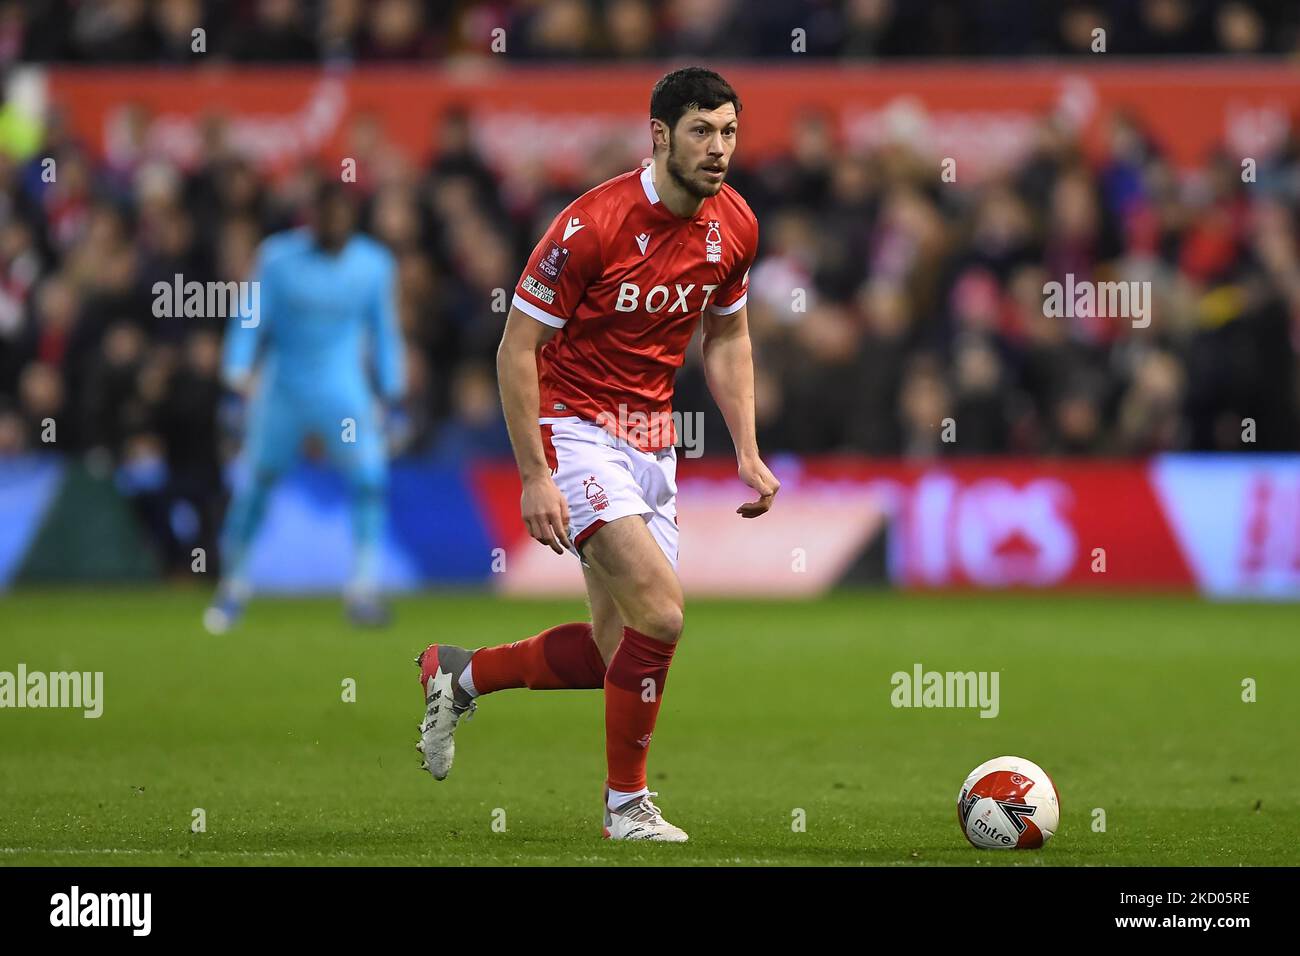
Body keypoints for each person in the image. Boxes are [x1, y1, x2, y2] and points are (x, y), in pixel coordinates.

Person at [414, 67, 779, 842]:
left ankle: (460, 673)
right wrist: (535, 474)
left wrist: (745, 448)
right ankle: (626, 807)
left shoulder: (736, 224)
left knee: (622, 653)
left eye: (730, 133)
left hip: (654, 444)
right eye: (702, 133)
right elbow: (517, 350)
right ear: (659, 136)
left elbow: (728, 333)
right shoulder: (592, 226)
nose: (720, 150)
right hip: (575, 429)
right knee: (663, 614)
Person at [204, 181, 404, 633]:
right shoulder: (277, 258)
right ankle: (232, 586)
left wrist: (392, 391)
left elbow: (384, 330)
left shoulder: (373, 264)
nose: (331, 223)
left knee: (370, 480)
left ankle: (364, 589)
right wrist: (237, 370)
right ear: (310, 216)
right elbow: (251, 316)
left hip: (343, 388)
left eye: (339, 215)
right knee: (255, 483)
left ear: (350, 219)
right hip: (282, 389)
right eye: (323, 214)